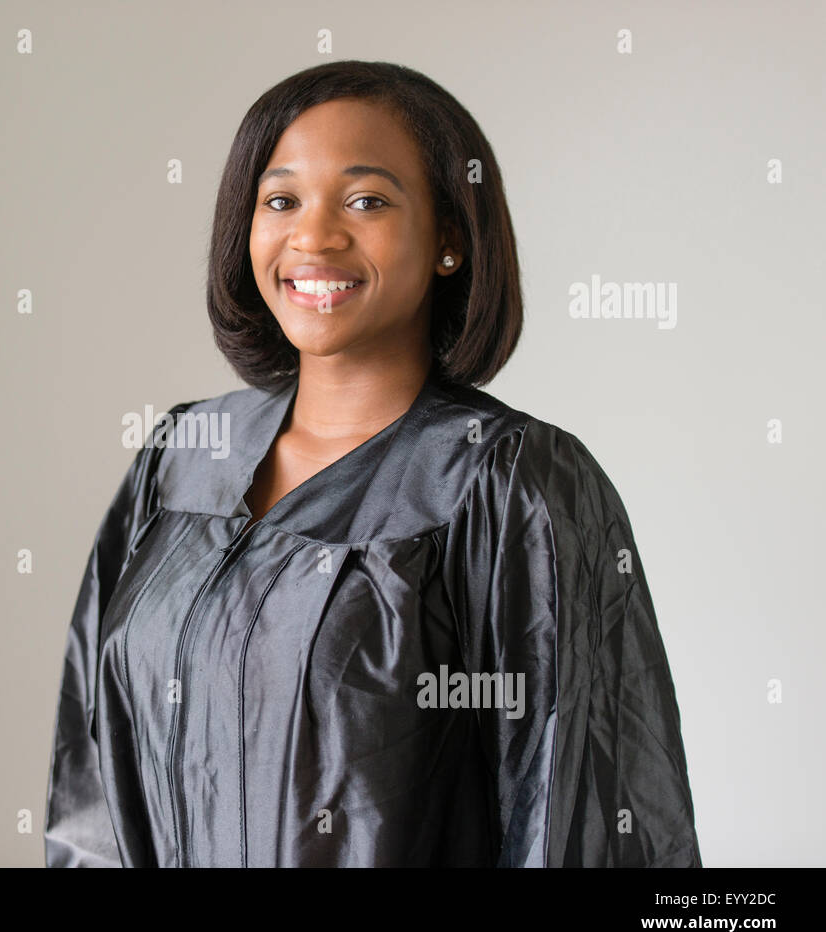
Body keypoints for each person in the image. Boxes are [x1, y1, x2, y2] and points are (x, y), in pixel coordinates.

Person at [43, 60, 701, 867]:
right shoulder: (180, 461)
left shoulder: (505, 483)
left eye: (367, 200)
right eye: (280, 200)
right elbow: (91, 792)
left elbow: (574, 815)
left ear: (449, 241)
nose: (313, 236)